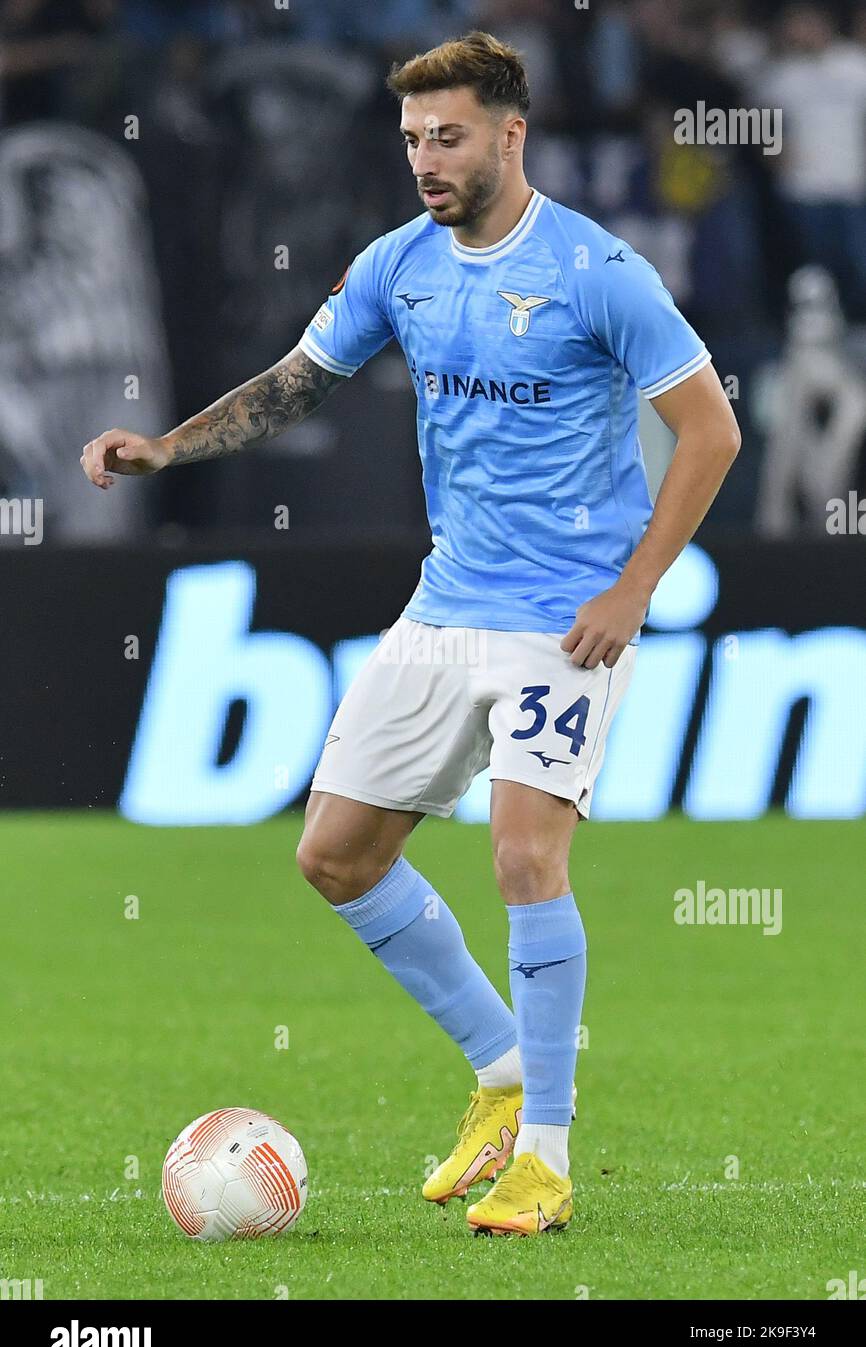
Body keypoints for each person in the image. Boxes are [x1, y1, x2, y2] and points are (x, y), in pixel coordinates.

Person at [80, 31, 740, 1237]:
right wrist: (167, 446)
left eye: (445, 137)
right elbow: (296, 379)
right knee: (333, 856)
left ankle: (543, 1153)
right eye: (409, 141)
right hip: (444, 609)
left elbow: (709, 434)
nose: (424, 160)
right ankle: (497, 1067)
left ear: (508, 134)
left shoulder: (599, 272)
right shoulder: (399, 265)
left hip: (564, 620)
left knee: (523, 858)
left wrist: (633, 589)